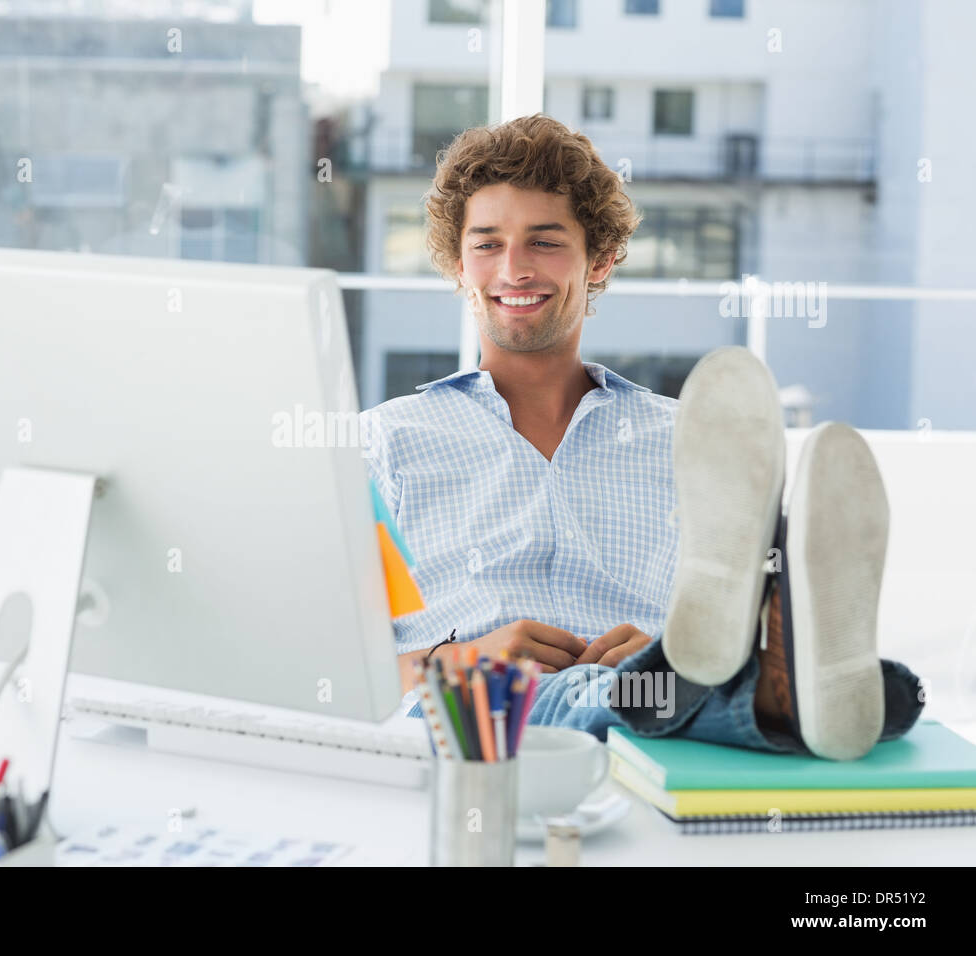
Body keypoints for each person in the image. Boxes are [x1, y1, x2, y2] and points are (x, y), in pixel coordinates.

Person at [362, 113, 924, 760]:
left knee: (656, 680)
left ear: (598, 260)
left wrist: (665, 653)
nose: (513, 269)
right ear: (458, 264)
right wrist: (456, 660)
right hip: (477, 718)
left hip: (663, 710)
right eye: (487, 244)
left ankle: (736, 670)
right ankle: (784, 693)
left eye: (544, 242)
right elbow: (334, 670)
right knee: (580, 691)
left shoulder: (693, 440)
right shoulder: (385, 443)